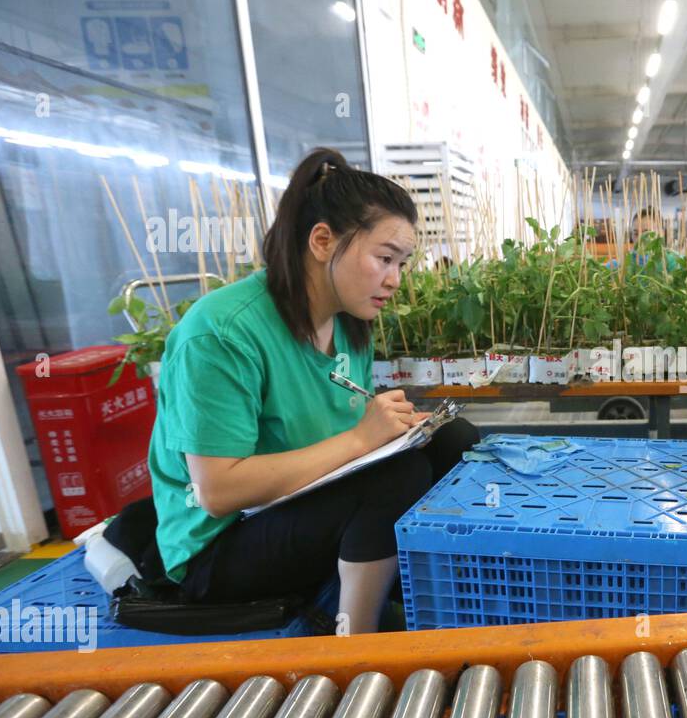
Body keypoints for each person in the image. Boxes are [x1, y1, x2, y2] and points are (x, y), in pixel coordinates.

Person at [148, 147, 478, 632]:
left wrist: (397, 433)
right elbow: (216, 491)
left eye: (401, 264)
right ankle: (355, 643)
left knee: (455, 440)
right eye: (385, 258)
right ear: (322, 241)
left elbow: (344, 448)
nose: (395, 280)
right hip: (219, 548)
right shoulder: (220, 334)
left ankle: (454, 598)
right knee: (394, 480)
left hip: (295, 508)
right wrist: (362, 440)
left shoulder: (347, 325)